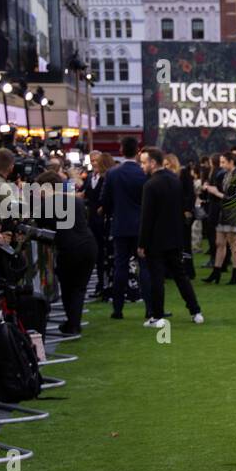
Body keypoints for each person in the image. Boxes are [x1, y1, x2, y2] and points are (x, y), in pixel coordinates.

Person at [138, 147, 203, 326]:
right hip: (175, 237)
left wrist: (142, 243)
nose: (142, 166)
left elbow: (147, 217)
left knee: (157, 278)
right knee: (181, 276)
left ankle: (157, 316)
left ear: (153, 162)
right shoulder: (174, 180)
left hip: (155, 240)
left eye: (144, 162)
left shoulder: (150, 185)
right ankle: (196, 311)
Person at [33, 170, 98, 336]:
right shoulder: (74, 200)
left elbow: (36, 224)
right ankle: (73, 323)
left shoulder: (47, 204)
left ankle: (73, 324)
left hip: (69, 250)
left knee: (69, 288)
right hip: (88, 246)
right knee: (78, 288)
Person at [101, 136, 151, 320]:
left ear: (121, 150)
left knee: (120, 267)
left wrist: (108, 211)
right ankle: (150, 309)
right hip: (141, 227)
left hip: (121, 226)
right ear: (138, 151)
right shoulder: (144, 173)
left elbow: (105, 200)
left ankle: (118, 309)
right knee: (144, 266)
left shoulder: (113, 174)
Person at [204, 151, 236, 284]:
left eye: (223, 162)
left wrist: (217, 193)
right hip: (224, 213)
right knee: (219, 243)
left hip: (233, 213)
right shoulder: (226, 174)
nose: (220, 165)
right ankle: (216, 272)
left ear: (231, 162)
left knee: (233, 244)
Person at [85, 150, 114, 298]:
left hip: (104, 221)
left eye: (96, 160)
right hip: (92, 222)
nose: (94, 163)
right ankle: (100, 285)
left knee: (105, 255)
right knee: (98, 255)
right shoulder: (90, 177)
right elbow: (83, 194)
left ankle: (107, 286)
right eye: (92, 160)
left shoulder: (108, 178)